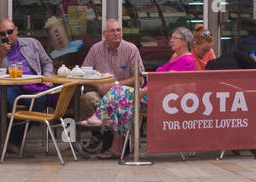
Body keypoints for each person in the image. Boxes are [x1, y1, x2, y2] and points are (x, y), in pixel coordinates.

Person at [82, 28, 195, 159]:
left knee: (118, 93)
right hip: (152, 95)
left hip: (160, 100)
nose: (171, 40)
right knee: (118, 100)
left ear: (185, 42)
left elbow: (165, 82)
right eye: (172, 37)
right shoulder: (177, 57)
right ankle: (116, 143)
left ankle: (106, 130)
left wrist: (142, 92)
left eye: (175, 38)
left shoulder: (186, 60)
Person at [0, 18, 54, 144]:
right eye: (2, 34)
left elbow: (47, 62)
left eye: (10, 32)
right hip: (10, 87)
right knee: (1, 101)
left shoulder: (32, 43)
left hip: (33, 85)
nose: (7, 36)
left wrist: (47, 77)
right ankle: (10, 141)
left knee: (40, 101)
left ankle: (13, 140)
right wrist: (0, 57)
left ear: (16, 30)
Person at [80, 19, 143, 149]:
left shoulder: (131, 49)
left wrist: (115, 85)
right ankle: (98, 133)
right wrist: (99, 86)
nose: (116, 33)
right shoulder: (96, 49)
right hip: (100, 92)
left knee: (116, 102)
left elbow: (140, 79)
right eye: (112, 31)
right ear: (105, 34)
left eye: (118, 30)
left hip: (125, 93)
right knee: (85, 99)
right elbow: (84, 73)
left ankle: (110, 137)